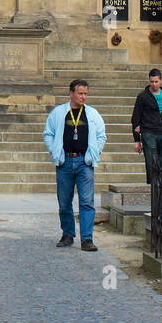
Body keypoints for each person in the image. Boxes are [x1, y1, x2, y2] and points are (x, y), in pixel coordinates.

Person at [42, 79, 106, 250]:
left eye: (85, 93)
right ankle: (68, 234)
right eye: (80, 93)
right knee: (64, 201)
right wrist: (56, 152)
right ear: (71, 93)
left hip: (85, 162)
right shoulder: (58, 113)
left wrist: (95, 153)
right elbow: (48, 134)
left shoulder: (92, 114)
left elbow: (101, 136)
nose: (83, 97)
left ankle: (87, 239)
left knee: (86, 201)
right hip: (65, 161)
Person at [131, 69, 162, 185]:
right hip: (148, 132)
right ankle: (153, 187)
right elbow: (135, 118)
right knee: (151, 161)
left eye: (156, 81)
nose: (154, 84)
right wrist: (137, 141)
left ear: (161, 81)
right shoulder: (143, 96)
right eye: (152, 81)